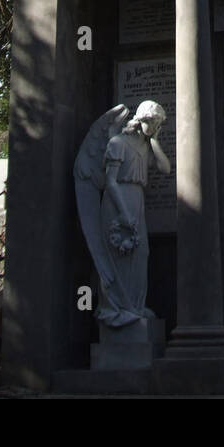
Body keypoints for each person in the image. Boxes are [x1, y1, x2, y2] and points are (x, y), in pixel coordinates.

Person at [73, 100, 170, 326]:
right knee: (119, 253)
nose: (156, 127)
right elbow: (110, 182)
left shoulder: (146, 146)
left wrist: (155, 141)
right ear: (143, 120)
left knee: (140, 253)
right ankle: (116, 306)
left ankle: (135, 307)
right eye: (154, 123)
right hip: (118, 201)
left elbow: (165, 168)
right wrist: (124, 213)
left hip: (137, 199)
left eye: (158, 124)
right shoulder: (117, 143)